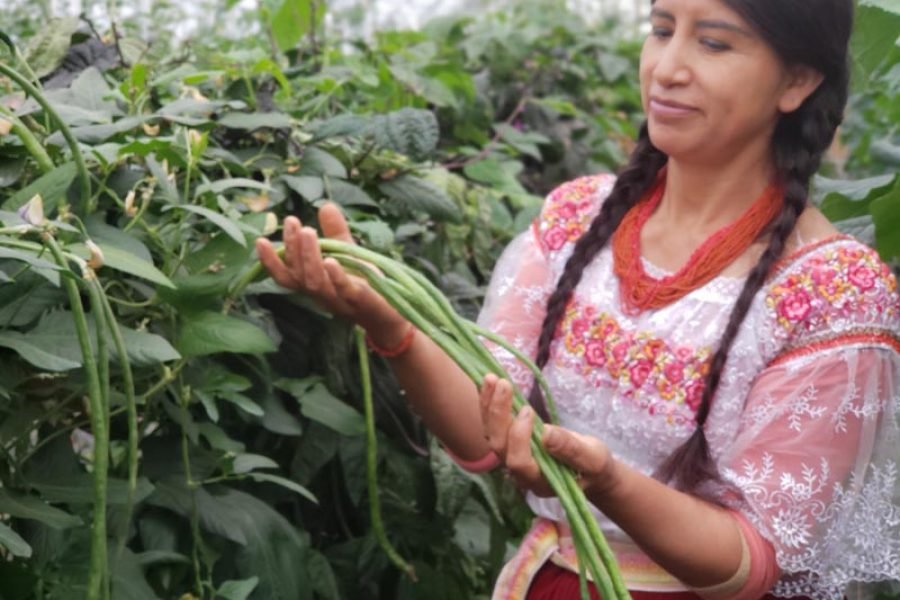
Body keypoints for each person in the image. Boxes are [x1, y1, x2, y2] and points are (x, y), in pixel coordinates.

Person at [256, 0, 900, 598]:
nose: (668, 69)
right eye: (661, 29)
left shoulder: (831, 292)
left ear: (796, 82)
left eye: (713, 43)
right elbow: (484, 433)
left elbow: (753, 557)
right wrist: (386, 320)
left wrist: (611, 485)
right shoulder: (578, 221)